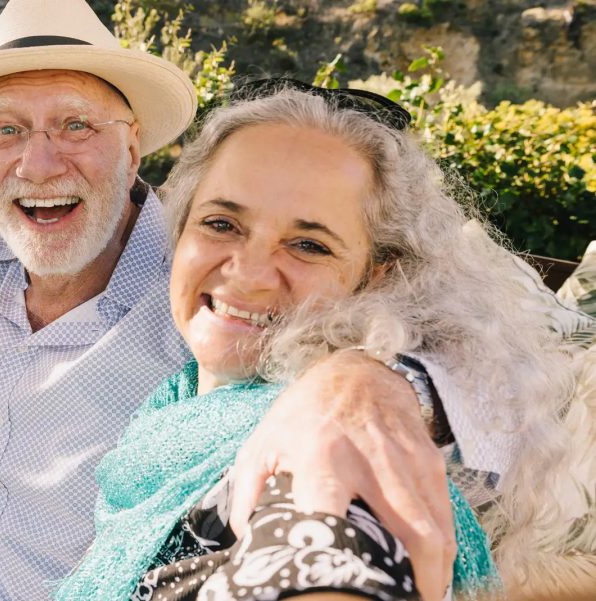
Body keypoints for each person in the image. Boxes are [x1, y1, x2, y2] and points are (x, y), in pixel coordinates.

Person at [0, 0, 546, 598]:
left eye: (75, 124)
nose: (37, 165)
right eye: (5, 131)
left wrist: (371, 382)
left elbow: (515, 356)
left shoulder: (189, 294)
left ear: (133, 152)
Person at [55, 81, 574, 600]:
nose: (250, 273)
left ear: (374, 278)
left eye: (308, 245)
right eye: (221, 223)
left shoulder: (332, 446)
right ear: (181, 228)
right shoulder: (171, 407)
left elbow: (329, 550)